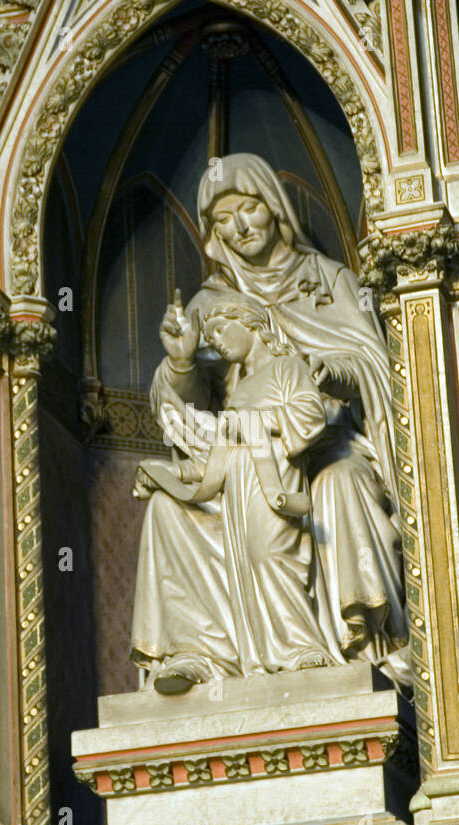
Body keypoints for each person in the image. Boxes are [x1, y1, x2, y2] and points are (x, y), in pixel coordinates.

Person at [146, 153, 408, 684]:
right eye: (223, 220)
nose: (239, 227)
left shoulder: (328, 280)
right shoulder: (207, 305)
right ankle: (202, 654)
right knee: (166, 512)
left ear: (275, 207)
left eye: (248, 209)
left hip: (329, 450)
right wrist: (180, 365)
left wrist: (329, 371)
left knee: (339, 488)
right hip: (238, 462)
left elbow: (382, 370)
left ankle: (363, 649)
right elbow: (189, 418)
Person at [133, 291, 341, 692]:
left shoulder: (285, 368)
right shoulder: (238, 384)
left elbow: (310, 416)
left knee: (268, 555)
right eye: (208, 336)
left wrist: (253, 420)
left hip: (273, 488)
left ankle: (299, 647)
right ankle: (201, 651)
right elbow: (219, 456)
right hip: (234, 493)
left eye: (220, 330)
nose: (216, 343)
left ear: (249, 323)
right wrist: (165, 474)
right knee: (168, 512)